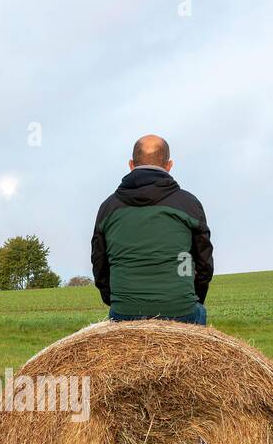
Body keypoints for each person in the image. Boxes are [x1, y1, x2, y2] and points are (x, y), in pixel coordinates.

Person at [91, 134, 214, 325]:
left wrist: (116, 301)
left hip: (124, 311)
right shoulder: (189, 204)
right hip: (181, 309)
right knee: (198, 312)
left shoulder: (108, 207)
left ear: (131, 165)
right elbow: (204, 266)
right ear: (169, 165)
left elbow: (100, 268)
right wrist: (188, 299)